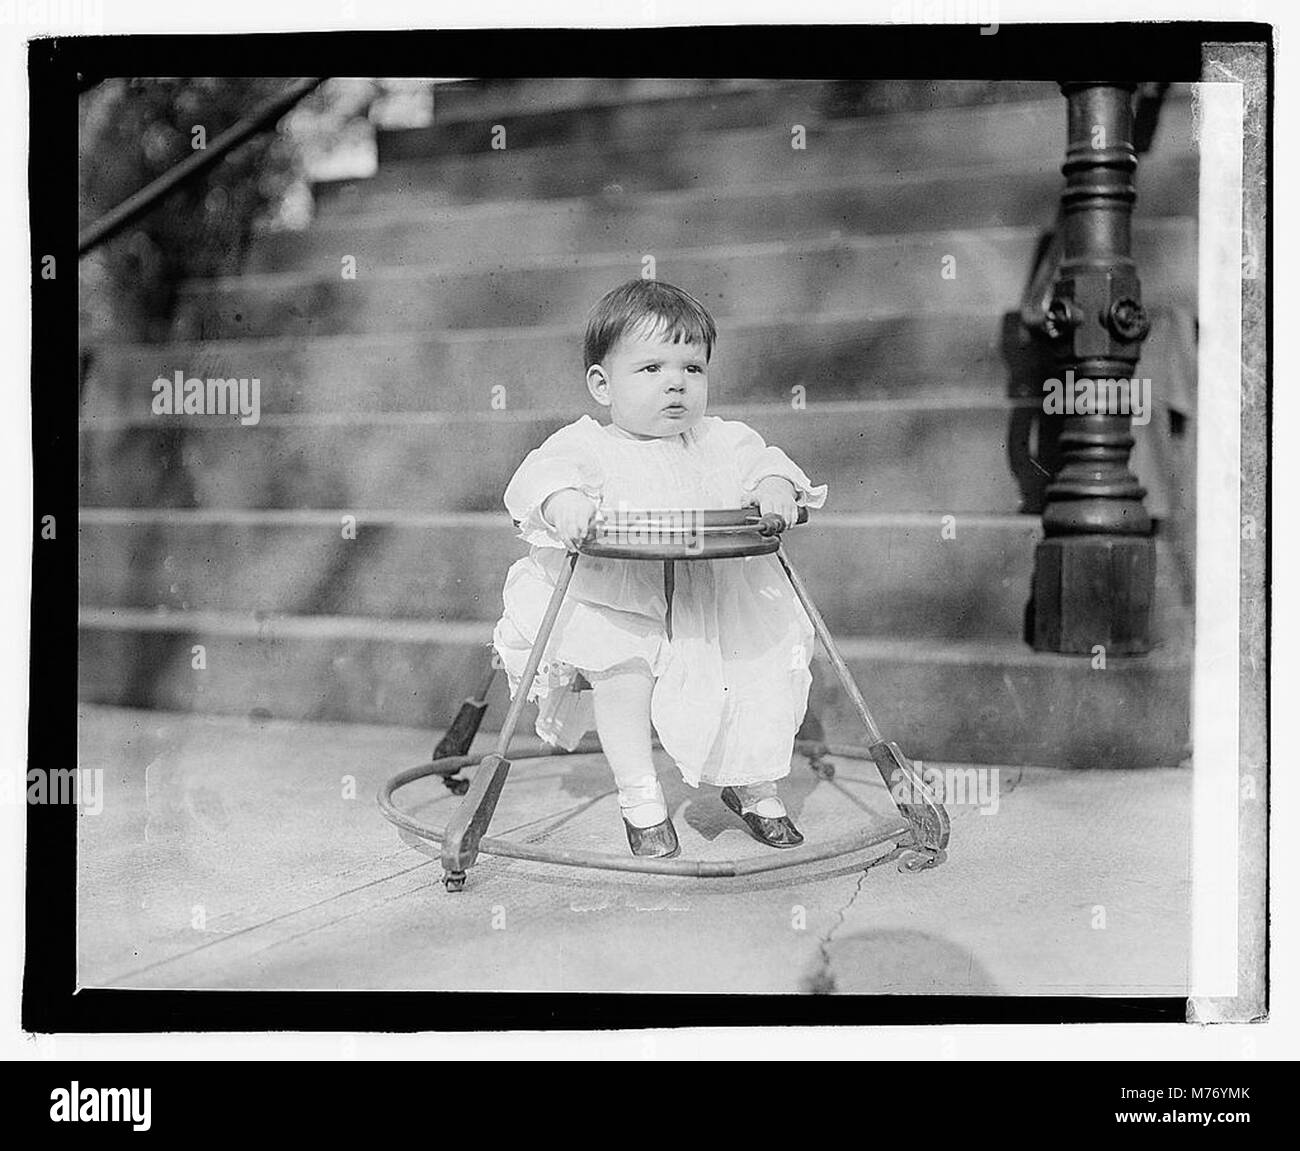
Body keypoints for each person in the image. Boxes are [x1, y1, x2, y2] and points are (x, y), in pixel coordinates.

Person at [492, 278, 828, 858]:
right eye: (650, 369)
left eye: (692, 369)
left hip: (713, 594)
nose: (676, 382)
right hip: (621, 594)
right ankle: (639, 792)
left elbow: (765, 463)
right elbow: (542, 476)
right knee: (621, 673)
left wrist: (775, 486)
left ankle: (753, 784)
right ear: (603, 385)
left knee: (755, 669)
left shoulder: (721, 440)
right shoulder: (588, 445)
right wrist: (563, 501)